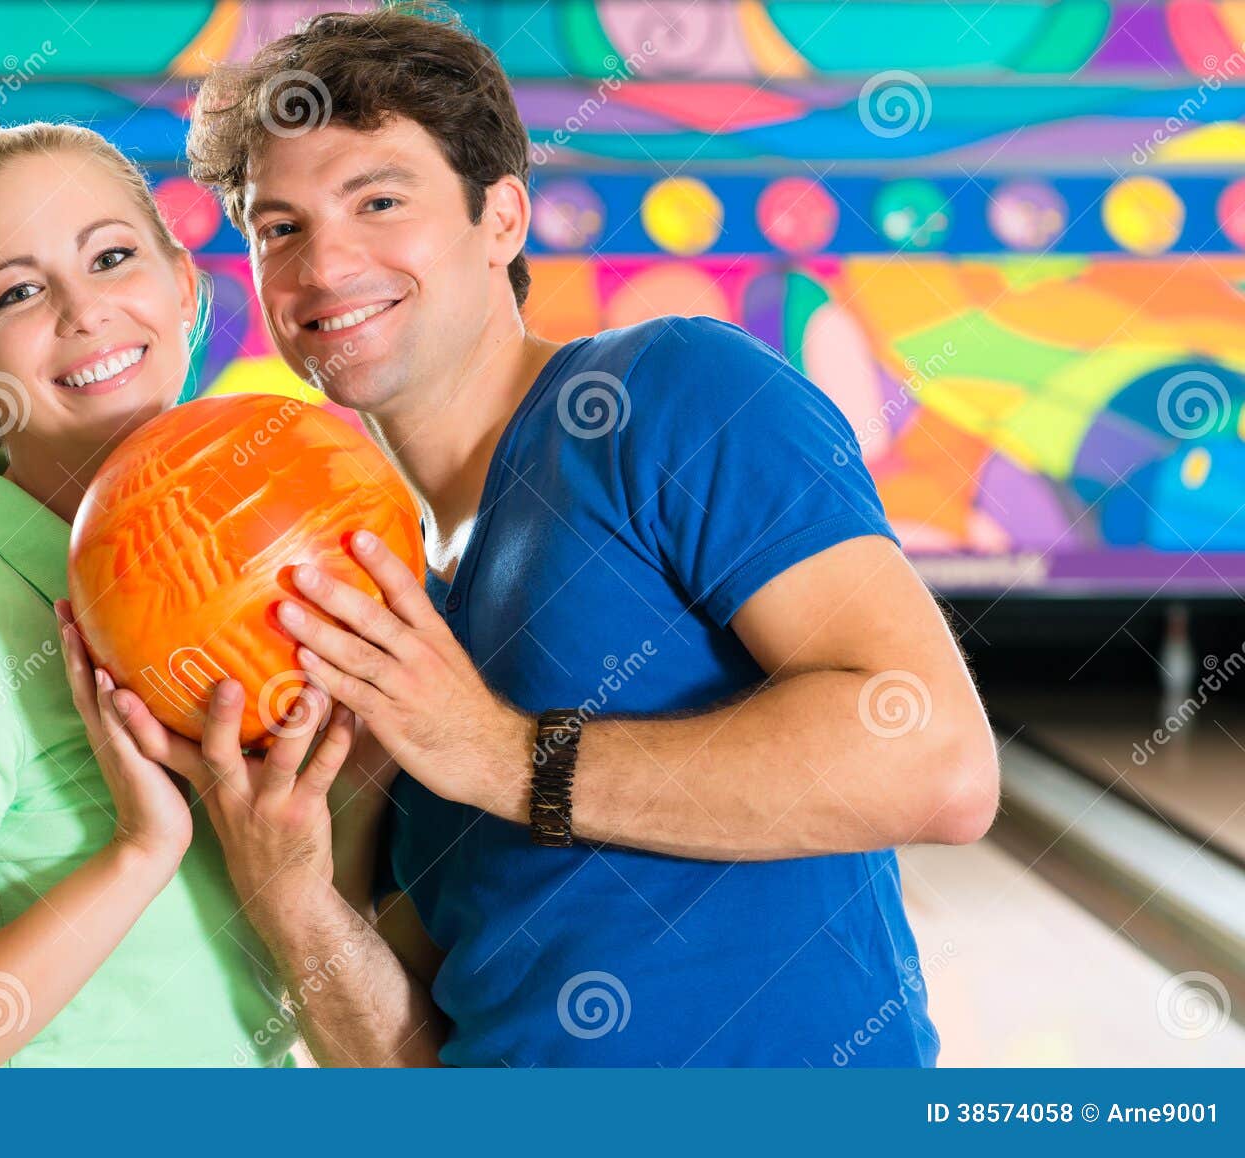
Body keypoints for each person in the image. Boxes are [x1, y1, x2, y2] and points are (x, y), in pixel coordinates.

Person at [93, 7, 1002, 1067]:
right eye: (279, 226)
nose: (324, 263)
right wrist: (287, 892)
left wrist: (501, 755)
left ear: (503, 220)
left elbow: (938, 761)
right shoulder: (372, 613)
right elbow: (415, 1061)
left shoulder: (667, 392)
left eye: (378, 201)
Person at [0, 122, 344, 1066]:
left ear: (182, 285)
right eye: (18, 291)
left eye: (111, 257)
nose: (84, 310)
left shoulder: (257, 547)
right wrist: (141, 849)